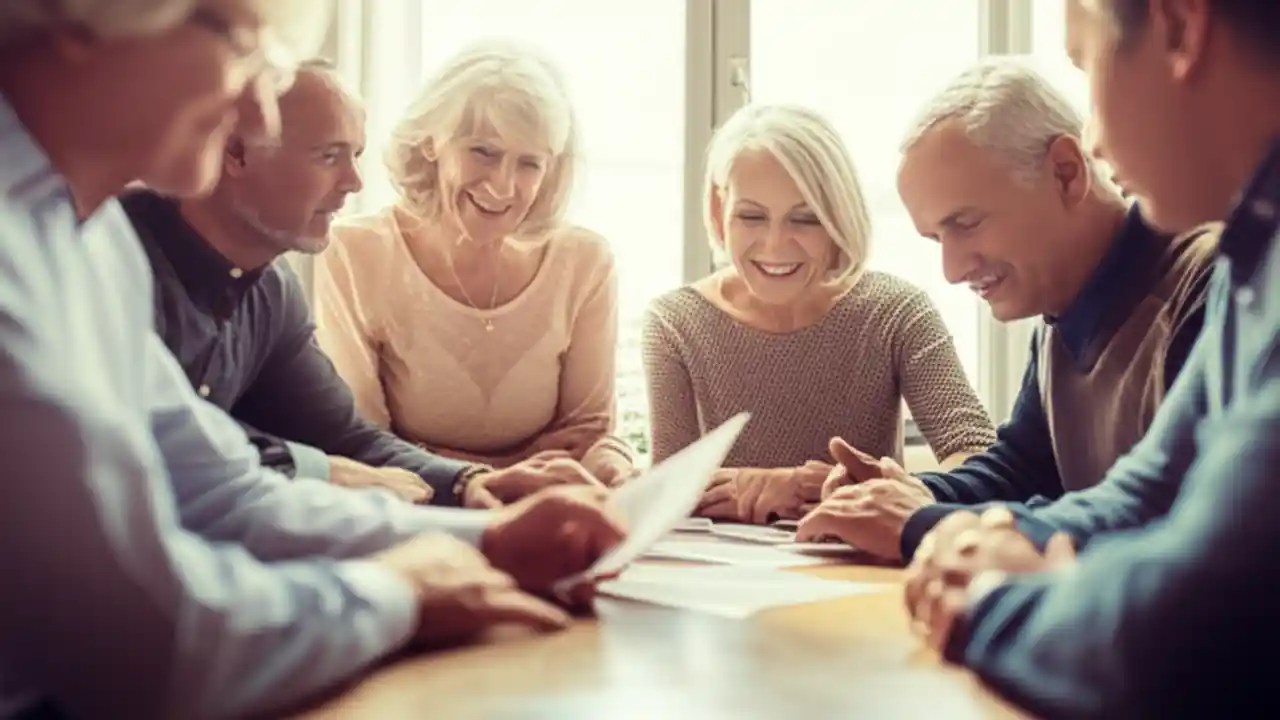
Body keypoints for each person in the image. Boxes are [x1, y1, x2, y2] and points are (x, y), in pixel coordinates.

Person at [0, 3, 622, 719]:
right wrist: (398, 593)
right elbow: (136, 650)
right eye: (241, 43)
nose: (260, 110)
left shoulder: (90, 236)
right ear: (88, 19)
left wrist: (488, 539)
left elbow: (218, 491)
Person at [898, 1, 1280, 717]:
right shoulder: (1251, 252)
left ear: (1178, 28)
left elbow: (1195, 628)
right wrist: (989, 543)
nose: (1094, 140)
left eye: (1085, 62)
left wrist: (993, 599)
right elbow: (1149, 488)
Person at [796, 60, 1219, 561]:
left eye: (966, 223)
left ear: (1066, 172)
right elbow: (1023, 468)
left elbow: (1173, 517)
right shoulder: (1057, 316)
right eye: (936, 237)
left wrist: (926, 523)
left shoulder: (1209, 281)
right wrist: (907, 494)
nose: (952, 269)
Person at [125, 59, 597, 507]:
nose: (353, 182)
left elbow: (343, 437)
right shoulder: (118, 254)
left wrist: (472, 483)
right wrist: (318, 471)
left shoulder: (272, 289)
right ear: (235, 152)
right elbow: (148, 429)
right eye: (329, 156)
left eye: (355, 156)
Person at [643, 103, 996, 525]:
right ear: (720, 213)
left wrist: (809, 487)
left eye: (805, 219)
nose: (775, 245)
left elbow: (976, 456)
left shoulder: (896, 312)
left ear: (837, 220)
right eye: (751, 216)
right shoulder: (675, 323)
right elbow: (667, 493)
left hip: (860, 564)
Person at [315, 42, 635, 502]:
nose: (503, 186)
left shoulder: (584, 262)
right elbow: (362, 448)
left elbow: (588, 433)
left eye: (529, 163)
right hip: (417, 517)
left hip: (544, 508)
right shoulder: (352, 253)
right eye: (483, 152)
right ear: (431, 144)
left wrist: (611, 463)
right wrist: (505, 469)